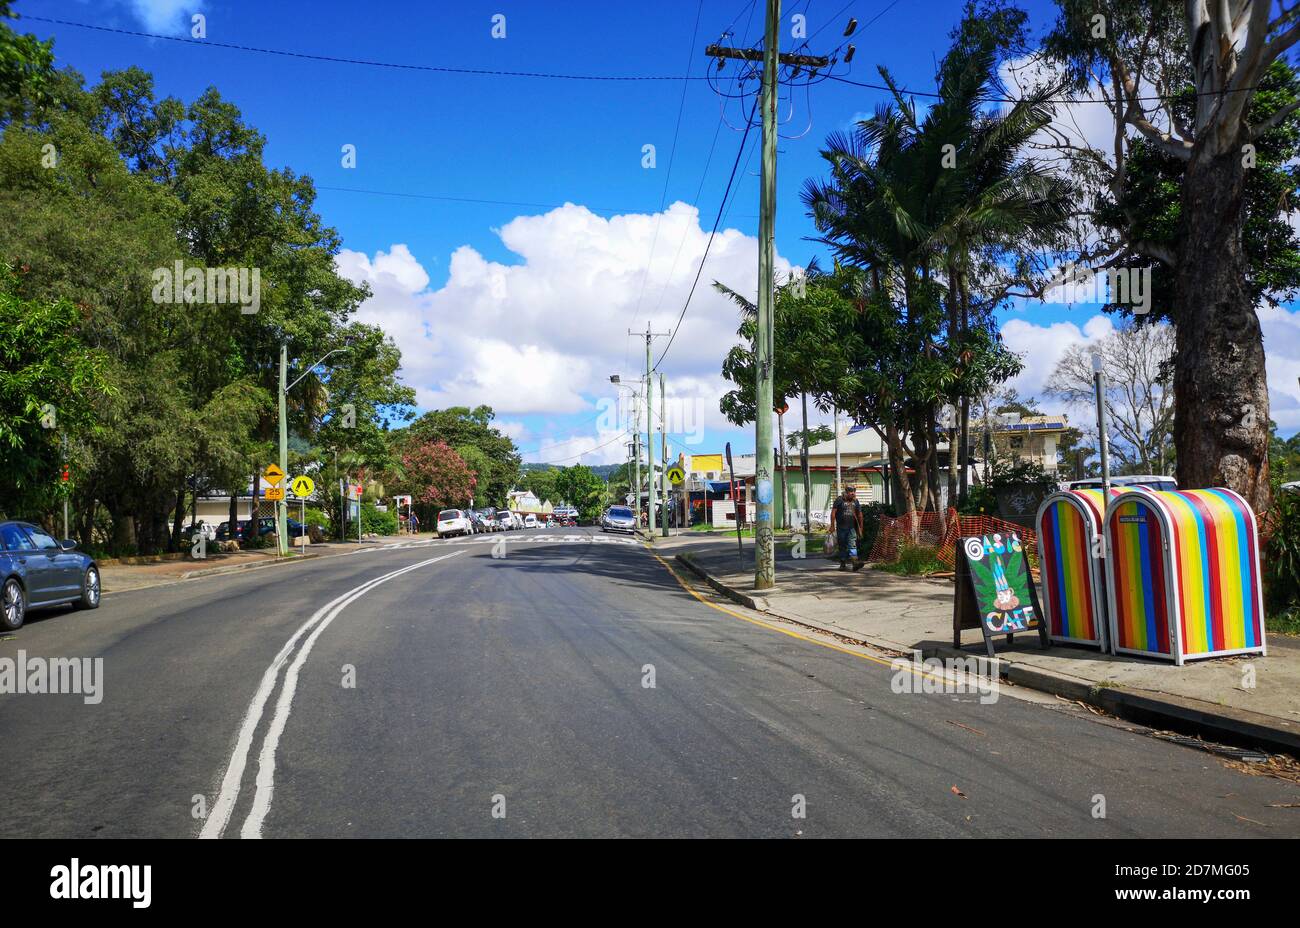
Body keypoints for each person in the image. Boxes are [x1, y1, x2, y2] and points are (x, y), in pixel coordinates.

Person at [828, 485, 865, 571]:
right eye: (851, 492)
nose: (853, 493)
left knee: (852, 544)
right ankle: (843, 563)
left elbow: (859, 514)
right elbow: (833, 513)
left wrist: (861, 527)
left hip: (852, 528)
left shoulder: (855, 501)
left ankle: (855, 562)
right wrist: (832, 525)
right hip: (841, 528)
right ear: (847, 492)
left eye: (854, 491)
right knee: (842, 545)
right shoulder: (839, 500)